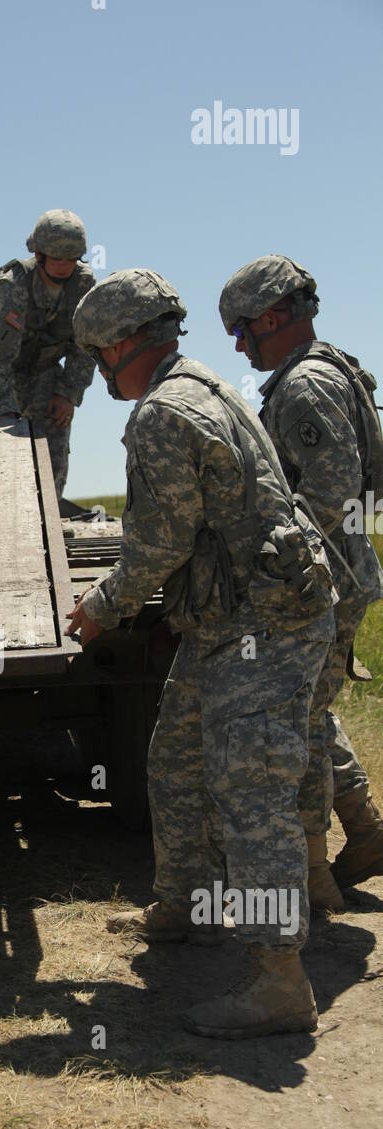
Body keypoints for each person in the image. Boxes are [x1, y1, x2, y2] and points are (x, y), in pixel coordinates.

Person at [67, 269, 336, 1040]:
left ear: (122, 342)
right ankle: (183, 904)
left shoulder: (163, 413)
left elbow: (159, 542)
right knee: (176, 756)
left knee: (252, 798)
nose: (97, 370)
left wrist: (101, 607)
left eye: (96, 354)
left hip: (262, 619)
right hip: (231, 613)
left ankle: (279, 981)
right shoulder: (206, 385)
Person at [219, 255, 383, 907]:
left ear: (271, 317)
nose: (236, 343)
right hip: (339, 573)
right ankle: (366, 833)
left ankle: (313, 885)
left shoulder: (305, 386)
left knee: (295, 731)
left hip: (319, 583)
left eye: (240, 328)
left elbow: (330, 492)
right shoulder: (331, 371)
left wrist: (267, 564)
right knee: (312, 712)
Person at [0, 209, 95, 496]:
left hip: (39, 366)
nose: (64, 266)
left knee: (56, 422)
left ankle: (47, 511)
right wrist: (8, 413)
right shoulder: (13, 287)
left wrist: (68, 393)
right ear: (39, 255)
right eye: (57, 258)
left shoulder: (84, 286)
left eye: (71, 259)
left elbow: (84, 349)